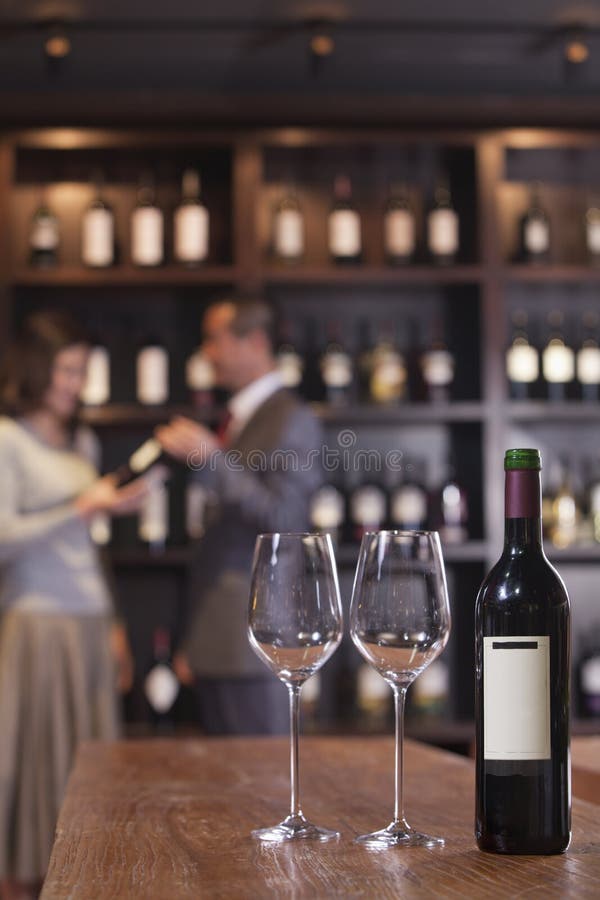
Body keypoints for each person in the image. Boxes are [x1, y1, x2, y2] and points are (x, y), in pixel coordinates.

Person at [0, 310, 149, 900]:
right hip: (37, 625)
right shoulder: (7, 438)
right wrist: (83, 508)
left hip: (88, 624)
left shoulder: (83, 440)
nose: (75, 383)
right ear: (35, 369)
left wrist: (114, 625)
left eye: (82, 371)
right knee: (38, 767)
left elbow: (89, 552)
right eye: (66, 369)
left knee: (90, 775)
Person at [156, 298, 323, 734]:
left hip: (255, 642)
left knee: (259, 786)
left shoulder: (292, 418)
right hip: (221, 638)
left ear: (256, 342)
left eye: (216, 339)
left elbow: (287, 519)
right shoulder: (240, 417)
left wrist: (212, 458)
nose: (206, 352)